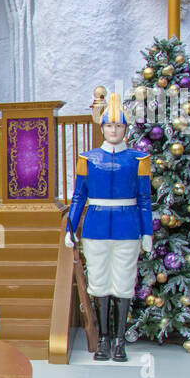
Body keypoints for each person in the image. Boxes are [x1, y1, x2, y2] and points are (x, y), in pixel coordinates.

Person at [65, 89, 153, 363]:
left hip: (128, 227)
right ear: (102, 127)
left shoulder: (139, 159)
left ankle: (119, 341)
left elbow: (144, 199)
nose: (114, 130)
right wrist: (71, 228)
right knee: (99, 282)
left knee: (124, 284)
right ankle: (103, 338)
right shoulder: (87, 159)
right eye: (109, 125)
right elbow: (79, 196)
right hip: (96, 227)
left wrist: (147, 231)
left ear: (125, 128)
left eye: (119, 125)